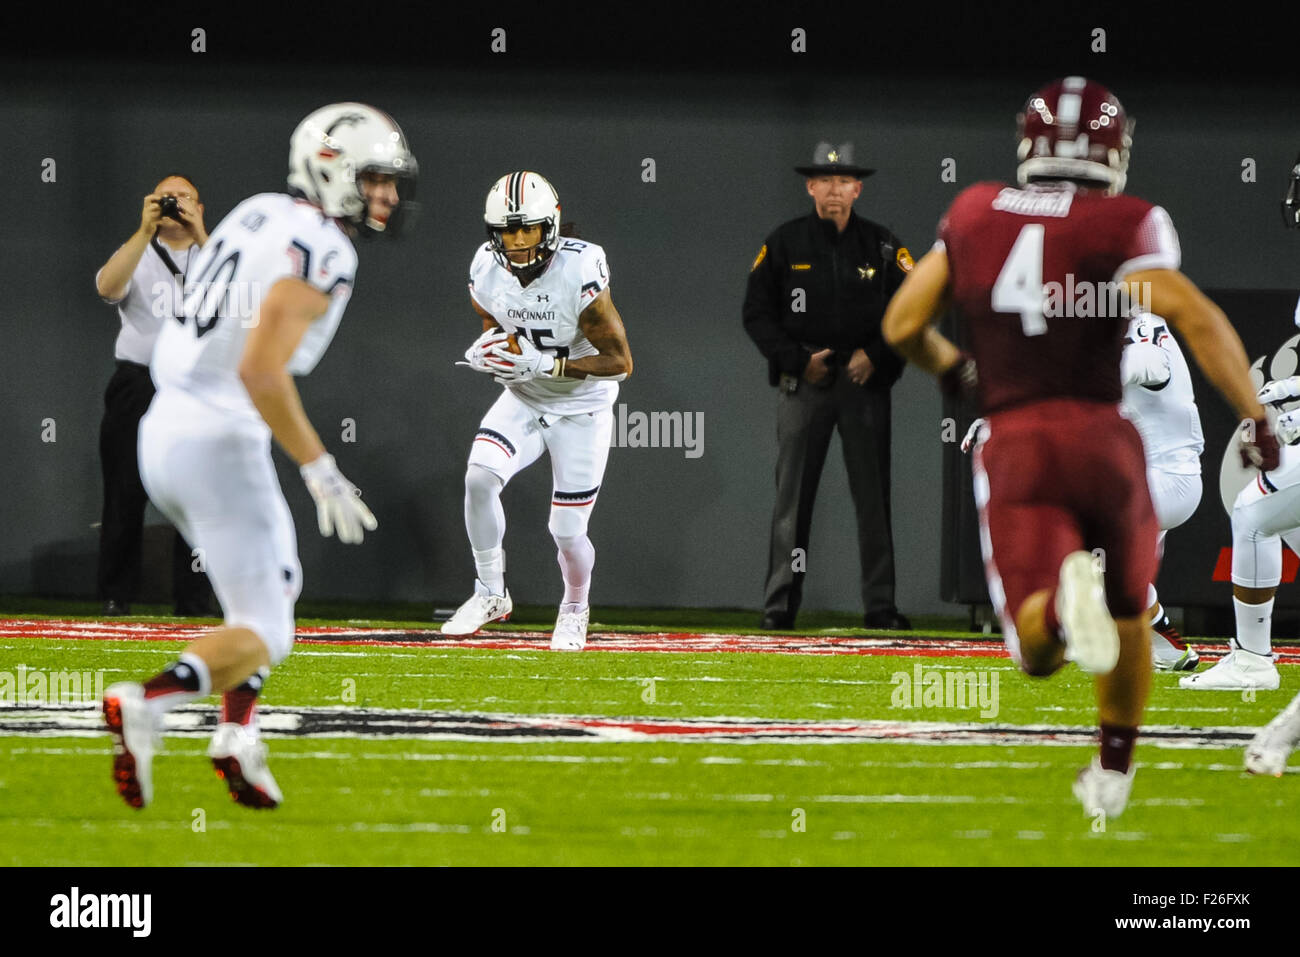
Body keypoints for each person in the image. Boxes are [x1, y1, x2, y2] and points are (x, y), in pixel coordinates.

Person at [882, 77, 1277, 819]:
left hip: (1018, 439)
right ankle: (1115, 765)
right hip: (1105, 440)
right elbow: (1192, 312)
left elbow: (903, 323)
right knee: (1130, 614)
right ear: (1113, 150)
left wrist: (958, 371)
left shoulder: (975, 211)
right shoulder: (1128, 221)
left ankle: (1062, 613)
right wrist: (1255, 414)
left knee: (1036, 653)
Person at [101, 103, 418, 809]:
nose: (390, 195)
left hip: (164, 425)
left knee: (266, 592)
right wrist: (319, 467)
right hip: (217, 432)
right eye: (376, 178)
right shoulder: (327, 248)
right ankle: (147, 700)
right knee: (270, 628)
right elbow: (262, 371)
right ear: (332, 170)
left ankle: (237, 734)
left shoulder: (256, 211)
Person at [443, 171, 633, 652]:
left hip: (581, 407)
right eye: (509, 230)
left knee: (566, 530)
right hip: (527, 395)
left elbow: (620, 363)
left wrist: (548, 361)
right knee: (479, 478)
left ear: (551, 225)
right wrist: (493, 356)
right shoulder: (485, 269)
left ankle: (574, 607)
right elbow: (497, 329)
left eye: (528, 228)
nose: (519, 240)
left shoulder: (580, 267)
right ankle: (490, 593)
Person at [743, 142, 911, 632]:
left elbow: (913, 307)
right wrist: (797, 359)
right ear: (810, 186)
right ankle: (779, 605)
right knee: (792, 500)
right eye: (825, 180)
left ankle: (880, 607)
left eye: (844, 181)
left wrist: (875, 355)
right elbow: (756, 314)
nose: (835, 189)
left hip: (864, 383)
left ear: (857, 189)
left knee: (873, 498)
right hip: (805, 384)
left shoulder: (883, 246)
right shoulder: (783, 244)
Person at [94, 175, 216, 616]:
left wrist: (202, 235)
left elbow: (243, 297)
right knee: (124, 489)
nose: (175, 205)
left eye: (185, 199)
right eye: (167, 198)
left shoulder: (217, 255)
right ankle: (115, 594)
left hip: (197, 385)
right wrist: (144, 231)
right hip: (138, 383)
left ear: (201, 208)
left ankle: (194, 598)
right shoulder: (137, 250)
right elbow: (108, 288)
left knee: (198, 493)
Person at [1119, 313, 1204, 671]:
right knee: (1124, 581)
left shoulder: (1144, 330)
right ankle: (1170, 649)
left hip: (1169, 478)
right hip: (1153, 478)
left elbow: (1145, 362)